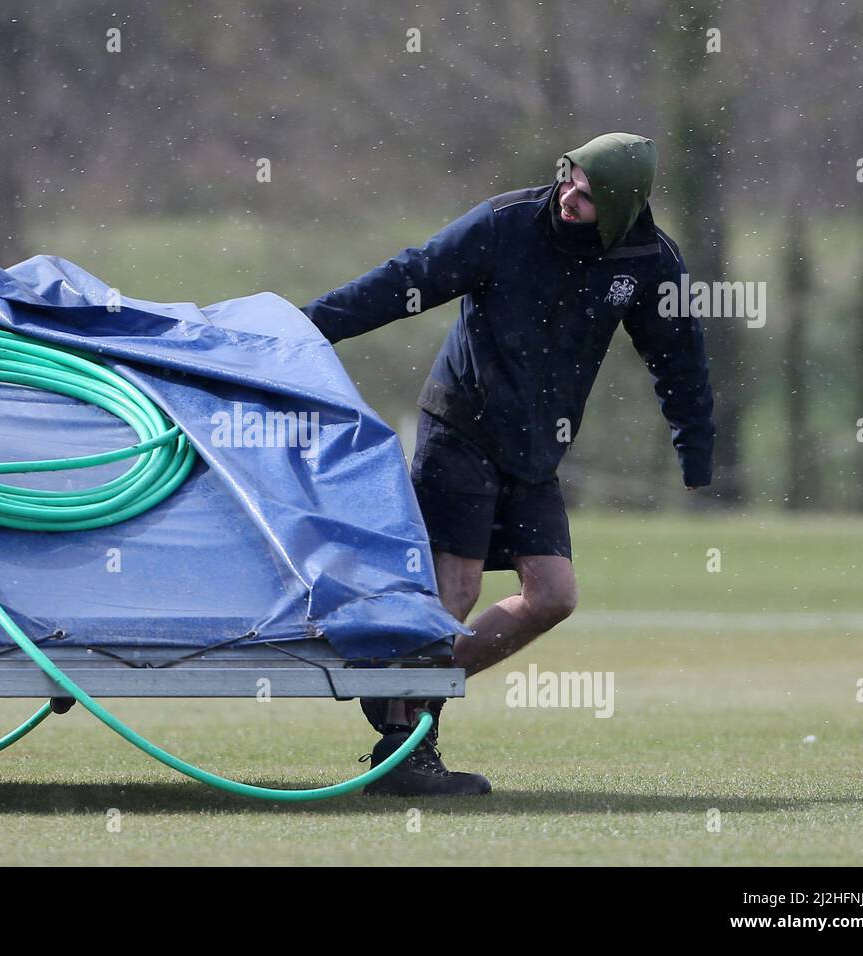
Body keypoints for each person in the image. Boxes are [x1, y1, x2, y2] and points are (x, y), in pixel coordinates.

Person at [302, 133, 716, 796]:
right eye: (568, 181)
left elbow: (679, 357)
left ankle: (397, 690)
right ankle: (406, 747)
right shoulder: (505, 226)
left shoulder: (649, 261)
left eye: (586, 194)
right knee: (454, 592)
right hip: (460, 426)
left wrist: (695, 445)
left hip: (536, 449)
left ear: (620, 205)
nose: (568, 198)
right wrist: (304, 329)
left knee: (554, 595)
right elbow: (406, 279)